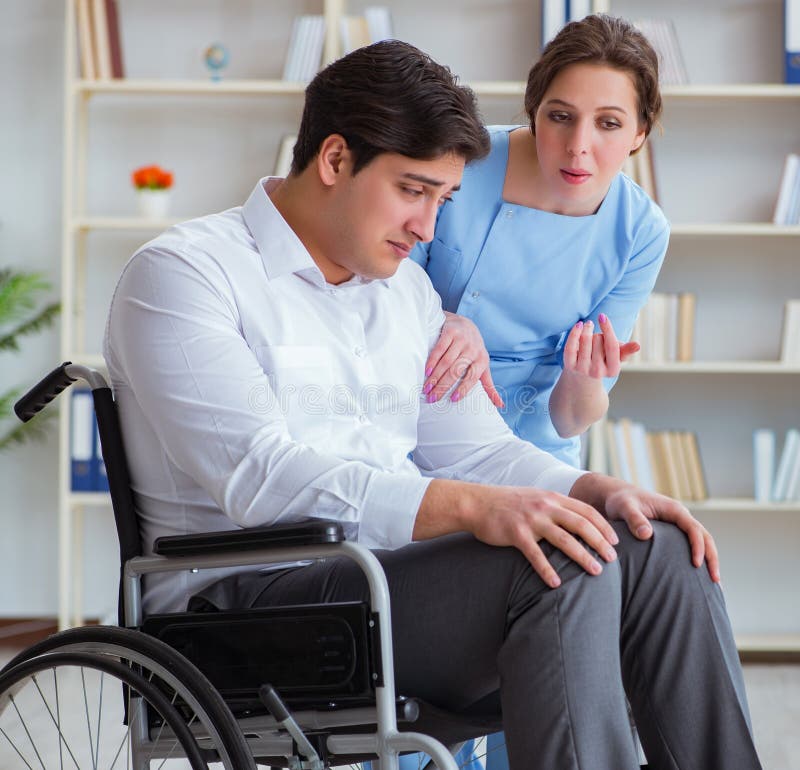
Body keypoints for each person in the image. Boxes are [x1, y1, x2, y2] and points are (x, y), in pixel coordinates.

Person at [103, 40, 762, 770]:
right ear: (333, 160)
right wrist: (472, 508)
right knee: (561, 561)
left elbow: (478, 449)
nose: (427, 228)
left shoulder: (401, 292)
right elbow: (260, 476)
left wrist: (595, 489)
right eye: (413, 191)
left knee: (654, 545)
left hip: (384, 586)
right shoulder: (184, 275)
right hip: (246, 607)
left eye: (442, 200)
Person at [414, 13, 667, 469]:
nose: (578, 145)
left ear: (639, 135)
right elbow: (374, 293)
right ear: (533, 111)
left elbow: (570, 420)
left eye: (608, 123)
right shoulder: (461, 163)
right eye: (560, 117)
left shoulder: (641, 233)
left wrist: (585, 378)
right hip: (420, 417)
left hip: (531, 449)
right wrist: (444, 320)